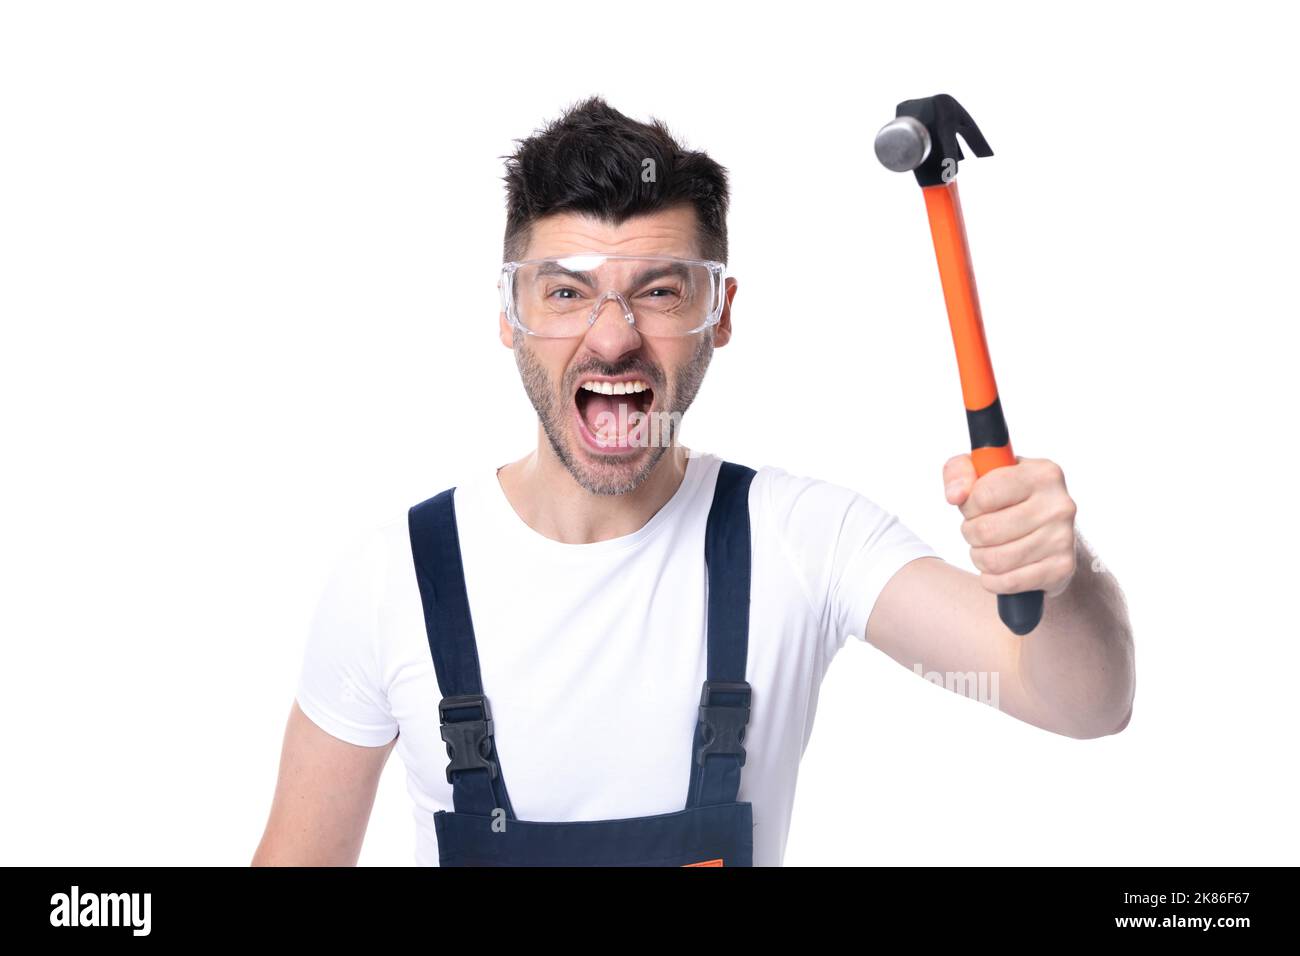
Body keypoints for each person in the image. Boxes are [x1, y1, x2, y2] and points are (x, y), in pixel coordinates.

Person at [252, 96, 1135, 867]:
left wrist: (1061, 577)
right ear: (508, 315)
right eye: (564, 293)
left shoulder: (801, 541)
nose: (611, 338)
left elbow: (1086, 702)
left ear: (719, 315)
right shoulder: (394, 579)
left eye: (662, 292)